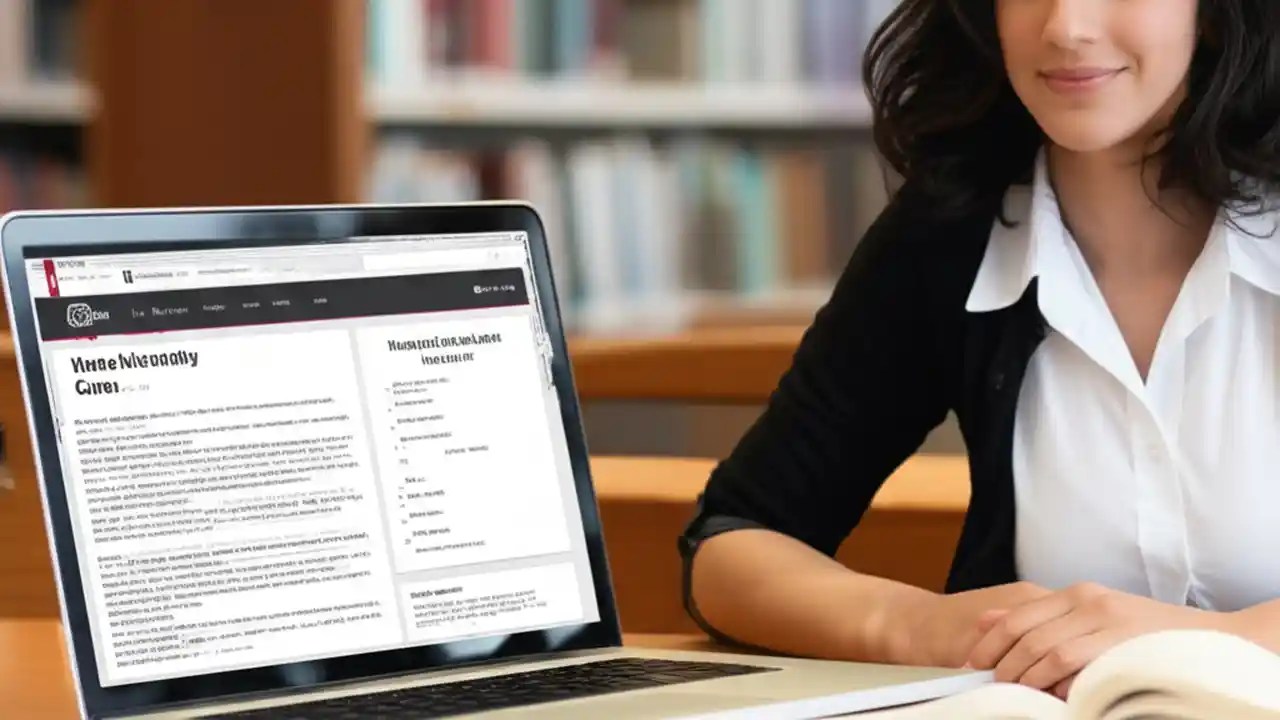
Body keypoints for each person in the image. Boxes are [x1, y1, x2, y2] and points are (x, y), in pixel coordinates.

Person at [678, 0, 1280, 700]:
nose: (1066, 27)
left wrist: (1198, 644)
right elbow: (729, 545)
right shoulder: (950, 234)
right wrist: (921, 627)